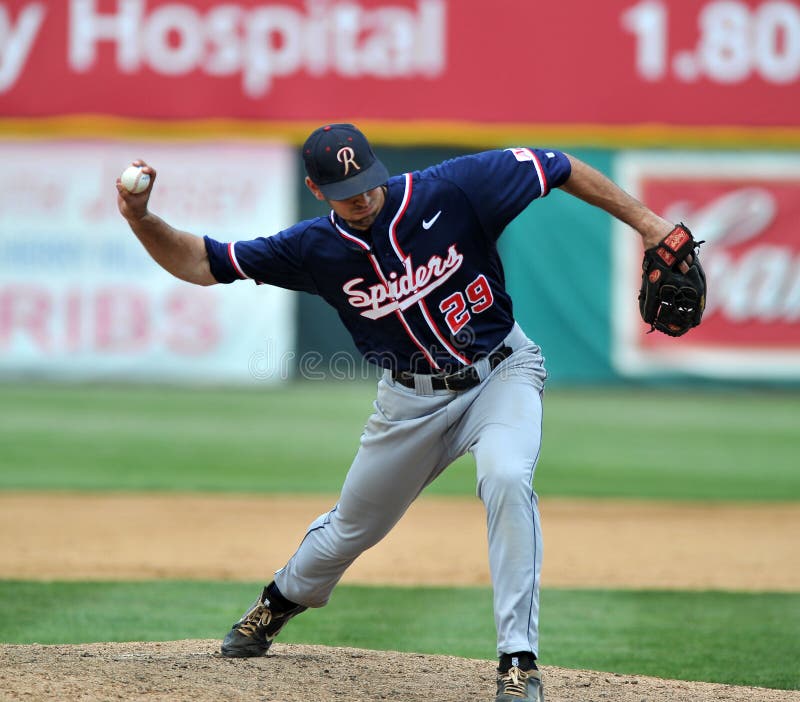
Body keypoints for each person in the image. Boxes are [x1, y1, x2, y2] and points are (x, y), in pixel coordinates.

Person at [117, 124, 678, 702]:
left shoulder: (452, 190)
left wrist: (651, 226)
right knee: (352, 529)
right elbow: (202, 263)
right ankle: (276, 603)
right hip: (410, 402)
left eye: (365, 180)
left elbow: (557, 165)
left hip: (503, 372)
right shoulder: (314, 248)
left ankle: (519, 660)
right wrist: (141, 220)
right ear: (315, 187)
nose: (360, 196)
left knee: (507, 478)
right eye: (344, 188)